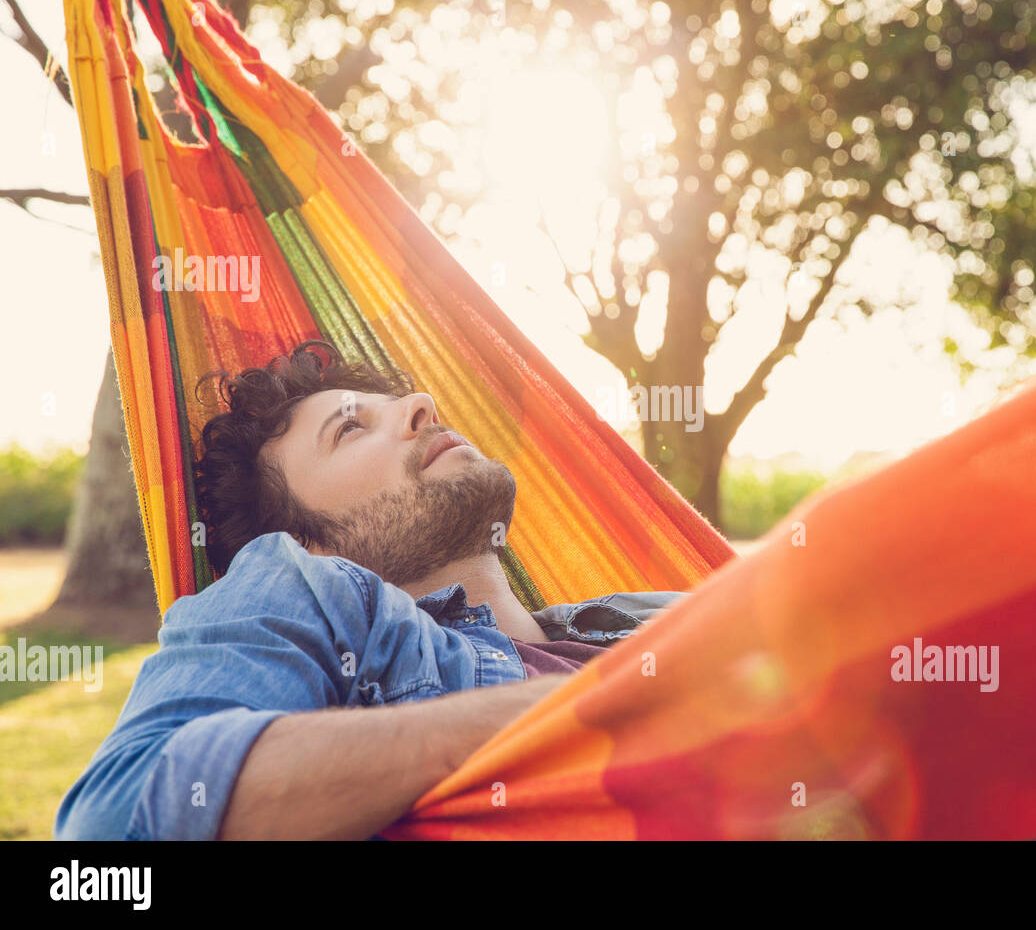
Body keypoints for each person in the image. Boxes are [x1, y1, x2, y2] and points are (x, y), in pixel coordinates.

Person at [54, 340, 685, 840]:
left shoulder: (657, 616)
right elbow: (113, 826)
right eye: (350, 429)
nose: (423, 404)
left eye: (397, 404)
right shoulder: (307, 588)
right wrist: (550, 716)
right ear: (307, 549)